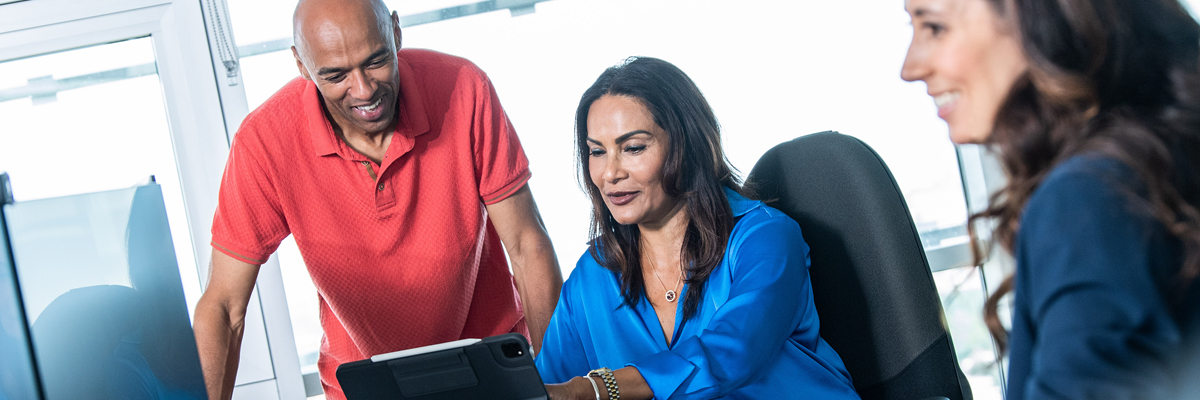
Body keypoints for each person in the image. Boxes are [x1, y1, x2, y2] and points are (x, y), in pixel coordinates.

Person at [191, 0, 564, 399]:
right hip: (362, 385)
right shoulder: (265, 141)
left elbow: (527, 246)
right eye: (336, 75)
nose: (365, 90)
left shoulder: (463, 87)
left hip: (490, 364)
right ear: (301, 66)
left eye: (376, 61)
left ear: (396, 32)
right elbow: (224, 307)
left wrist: (562, 382)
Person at [902, 0, 1200, 398]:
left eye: (935, 27)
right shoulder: (1157, 163)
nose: (910, 67)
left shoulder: (1087, 201)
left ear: (1037, 18)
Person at [536, 57, 859, 400]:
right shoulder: (594, 273)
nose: (609, 173)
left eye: (633, 148)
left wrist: (595, 390)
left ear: (689, 146)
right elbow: (544, 386)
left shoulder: (765, 238)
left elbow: (733, 353)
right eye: (597, 151)